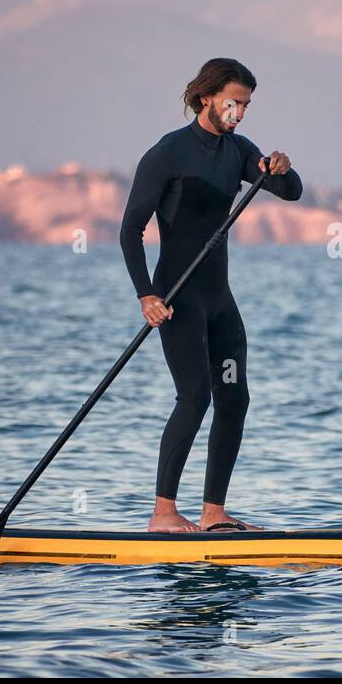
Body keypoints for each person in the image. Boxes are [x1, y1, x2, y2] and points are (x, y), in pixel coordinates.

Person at [119, 59, 302, 532]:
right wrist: (146, 296)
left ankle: (214, 514)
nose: (239, 113)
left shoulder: (238, 151)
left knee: (234, 398)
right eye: (232, 102)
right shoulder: (167, 154)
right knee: (194, 396)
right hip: (178, 299)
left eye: (245, 105)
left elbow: (290, 192)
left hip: (220, 302)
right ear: (206, 97)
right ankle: (163, 514)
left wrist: (281, 167)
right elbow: (129, 231)